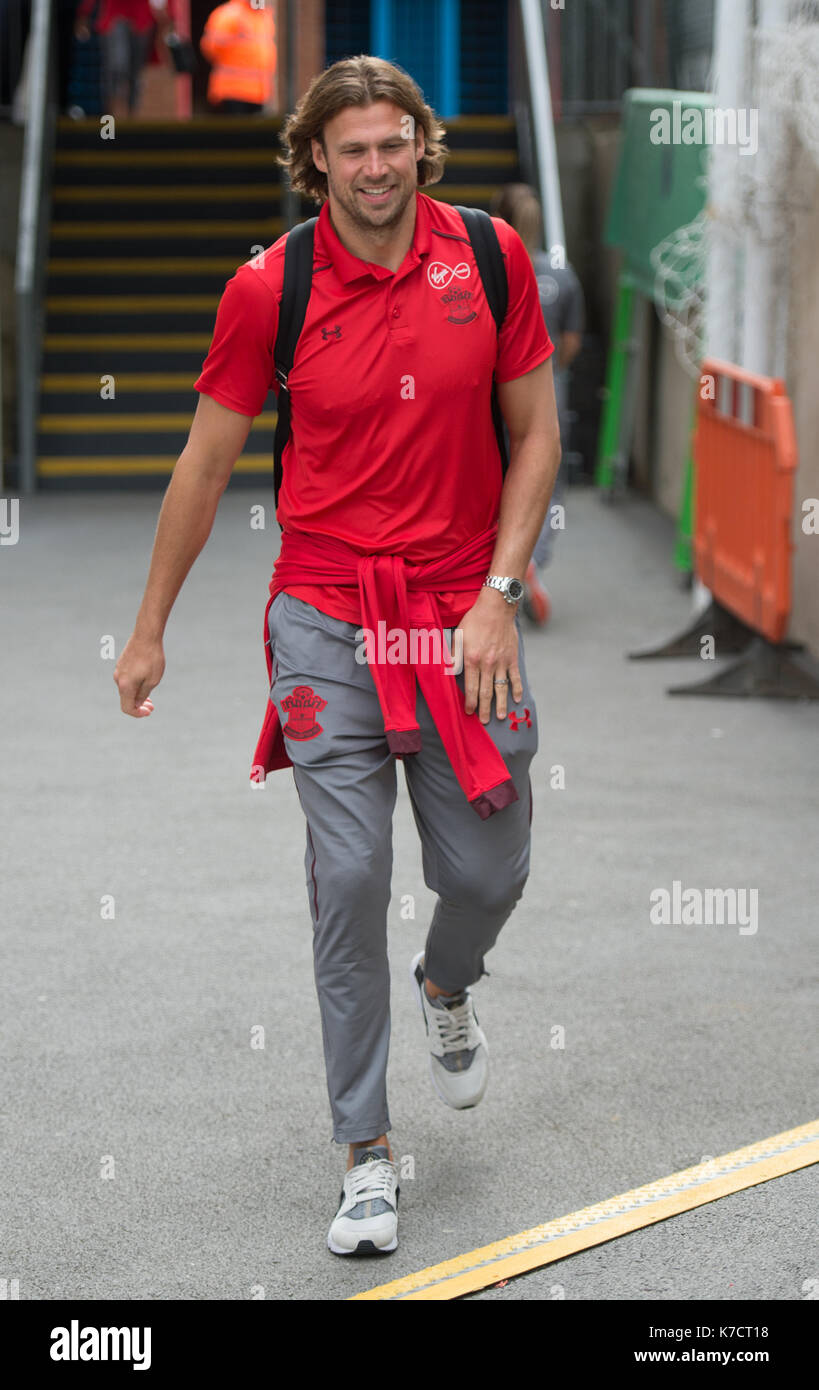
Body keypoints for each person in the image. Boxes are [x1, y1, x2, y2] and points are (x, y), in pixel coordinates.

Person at [113, 56, 560, 1257]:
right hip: (326, 620)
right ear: (314, 159)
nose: (375, 167)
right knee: (348, 878)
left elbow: (535, 434)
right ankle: (366, 1154)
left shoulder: (490, 257)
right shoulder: (272, 288)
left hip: (463, 612)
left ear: (422, 144)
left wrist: (502, 592)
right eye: (350, 149)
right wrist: (150, 626)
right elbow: (205, 467)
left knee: (486, 870)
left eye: (393, 143)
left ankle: (447, 985)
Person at [491, 184, 584, 626]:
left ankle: (496, 569)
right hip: (547, 390)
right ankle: (532, 561)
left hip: (493, 392)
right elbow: (569, 343)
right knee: (545, 481)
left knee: (496, 477)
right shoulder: (562, 276)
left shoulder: (484, 270)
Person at [74, 0, 174, 117]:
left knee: (136, 75)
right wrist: (84, 13)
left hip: (141, 18)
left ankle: (131, 121)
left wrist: (166, 12)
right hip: (114, 16)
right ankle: (111, 120)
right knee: (116, 69)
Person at [199, 0, 276, 115]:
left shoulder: (263, 15)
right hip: (232, 91)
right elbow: (210, 48)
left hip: (258, 93)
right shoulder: (229, 14)